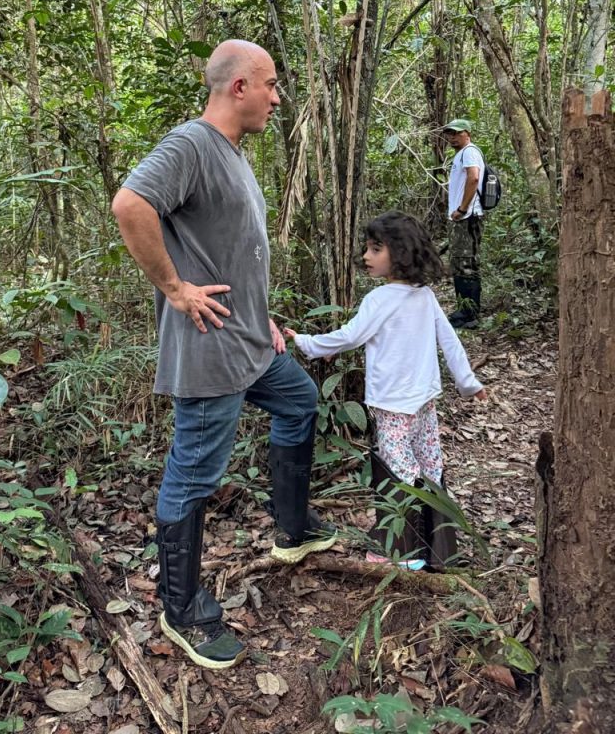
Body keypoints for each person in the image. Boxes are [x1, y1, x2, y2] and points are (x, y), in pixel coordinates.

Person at [111, 39, 336, 670]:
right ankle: (181, 609)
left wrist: (261, 311)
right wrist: (175, 289)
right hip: (210, 350)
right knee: (194, 475)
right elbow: (131, 205)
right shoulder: (191, 145)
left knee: (300, 399)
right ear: (238, 87)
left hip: (249, 339)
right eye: (269, 85)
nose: (276, 96)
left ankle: (293, 528)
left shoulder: (232, 154)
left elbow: (230, 244)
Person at [284, 211, 487, 570]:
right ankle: (440, 551)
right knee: (429, 465)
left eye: (375, 249)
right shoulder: (423, 296)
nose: (366, 256)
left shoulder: (380, 301)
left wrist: (306, 342)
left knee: (397, 471)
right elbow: (450, 342)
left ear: (400, 251)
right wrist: (469, 383)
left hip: (392, 405)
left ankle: (400, 553)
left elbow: (350, 336)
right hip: (424, 400)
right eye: (367, 248)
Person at [443, 118, 485, 329]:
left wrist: (462, 208)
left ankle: (470, 314)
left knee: (467, 264)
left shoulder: (470, 152)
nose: (452, 137)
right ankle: (464, 310)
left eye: (456, 133)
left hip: (467, 217)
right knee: (460, 263)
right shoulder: (461, 155)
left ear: (466, 133)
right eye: (449, 133)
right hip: (461, 218)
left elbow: (474, 178)